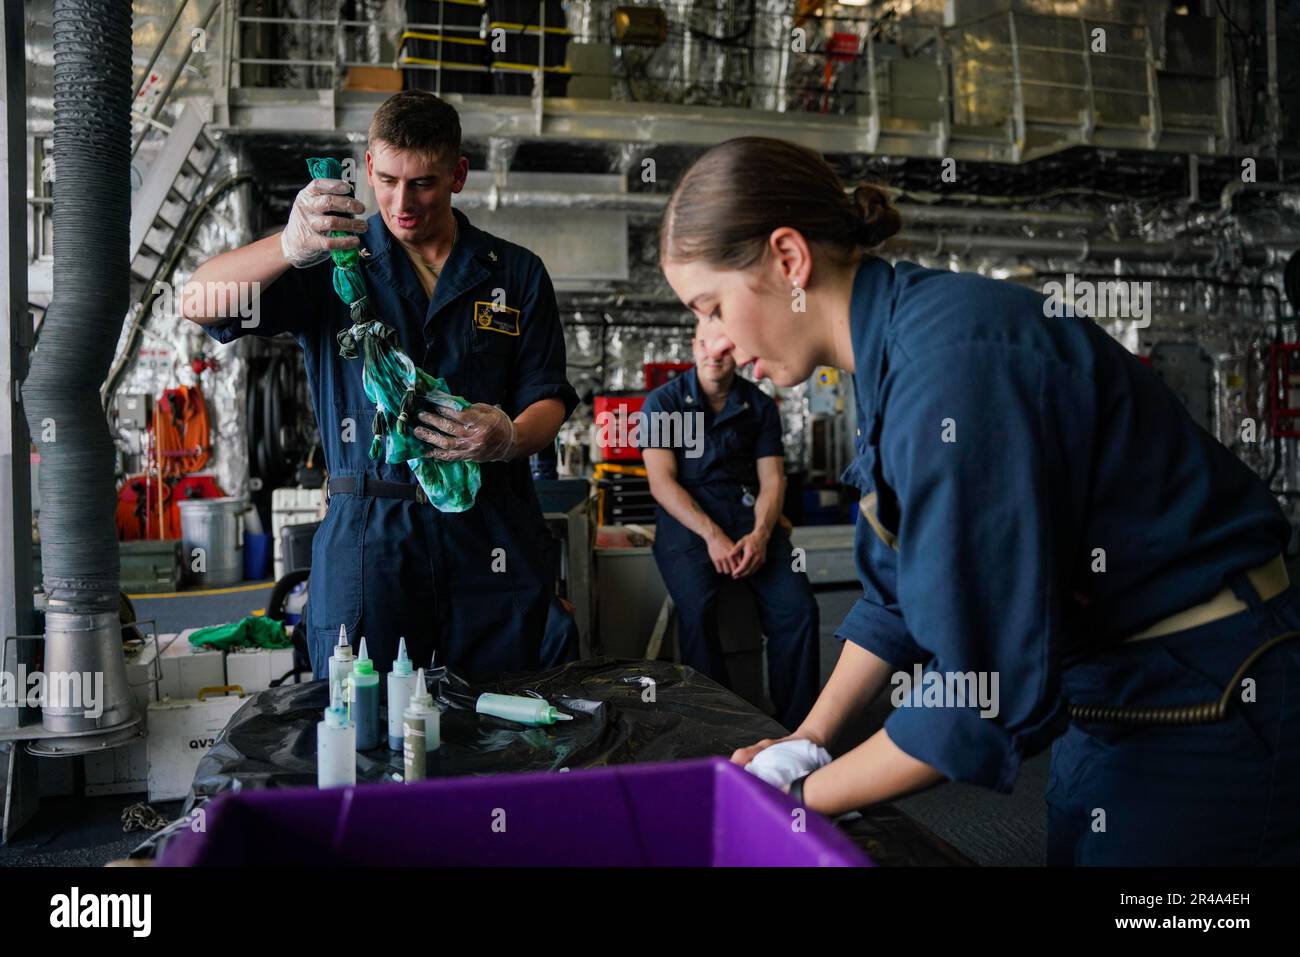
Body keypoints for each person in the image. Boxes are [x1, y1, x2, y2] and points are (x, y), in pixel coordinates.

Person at [658, 136, 1300, 866]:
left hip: (1209, 698)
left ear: (788, 258)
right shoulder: (898, 349)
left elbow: (975, 692)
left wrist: (795, 803)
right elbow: (897, 596)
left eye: (710, 307)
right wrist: (808, 740)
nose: (708, 341)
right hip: (1112, 696)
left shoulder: (947, 369)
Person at [184, 91, 577, 680]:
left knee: (509, 713)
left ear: (458, 175)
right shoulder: (331, 262)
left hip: (489, 526)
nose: (401, 202)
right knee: (363, 723)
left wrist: (508, 436)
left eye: (423, 183)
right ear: (367, 168)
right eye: (387, 179)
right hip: (370, 534)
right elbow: (198, 300)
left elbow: (547, 396)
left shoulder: (514, 272)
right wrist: (288, 246)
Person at [641, 323, 820, 729]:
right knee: (697, 610)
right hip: (687, 520)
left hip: (749, 514)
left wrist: (760, 535)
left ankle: (797, 728)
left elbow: (773, 480)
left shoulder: (757, 405)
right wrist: (712, 536)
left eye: (723, 348)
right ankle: (717, 727)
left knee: (798, 608)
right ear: (694, 346)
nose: (713, 355)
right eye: (704, 345)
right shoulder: (664, 403)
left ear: (737, 351)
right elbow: (661, 483)